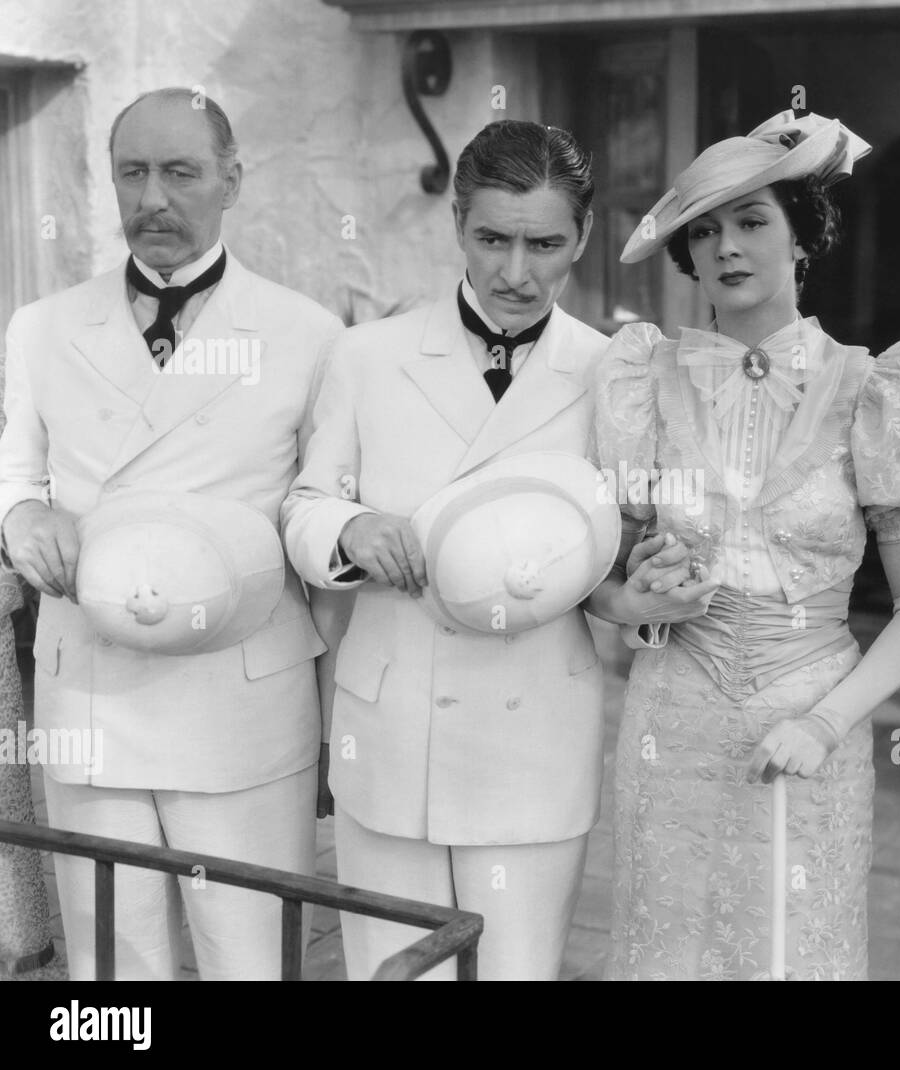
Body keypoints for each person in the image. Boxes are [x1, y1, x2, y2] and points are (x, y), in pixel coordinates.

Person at [281, 119, 692, 981]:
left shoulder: (615, 370)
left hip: (533, 732)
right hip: (394, 729)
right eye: (491, 239)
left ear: (583, 235)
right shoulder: (366, 356)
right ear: (457, 225)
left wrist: (642, 597)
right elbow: (306, 505)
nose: (515, 272)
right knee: (394, 971)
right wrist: (350, 531)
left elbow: (620, 555)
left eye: (543, 244)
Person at [590, 111, 900, 980]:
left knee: (796, 951)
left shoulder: (878, 388)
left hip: (813, 722)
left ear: (803, 234)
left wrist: (828, 721)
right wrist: (636, 604)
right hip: (670, 722)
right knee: (667, 950)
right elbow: (601, 588)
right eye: (706, 230)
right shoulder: (643, 378)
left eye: (753, 220)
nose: (727, 246)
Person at [0, 88, 342, 979]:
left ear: (231, 181)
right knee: (113, 965)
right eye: (133, 173)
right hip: (93, 698)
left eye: (181, 173)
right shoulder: (38, 330)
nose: (154, 198)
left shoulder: (307, 334)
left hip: (240, 699)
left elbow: (318, 504)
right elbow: (11, 474)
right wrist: (18, 514)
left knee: (252, 953)